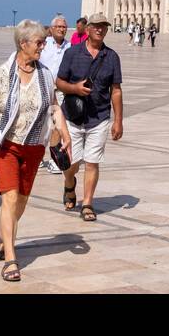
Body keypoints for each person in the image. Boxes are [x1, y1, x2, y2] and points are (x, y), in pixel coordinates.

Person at [0, 20, 70, 283]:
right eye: (39, 42)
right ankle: (10, 259)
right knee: (10, 196)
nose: (43, 46)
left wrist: (63, 131)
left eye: (44, 42)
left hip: (33, 147)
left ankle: (2, 235)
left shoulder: (45, 74)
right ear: (23, 44)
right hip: (4, 144)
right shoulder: (0, 74)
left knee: (21, 202)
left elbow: (53, 106)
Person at [56, 13, 123, 223]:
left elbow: (116, 90)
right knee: (72, 163)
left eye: (104, 26)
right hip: (74, 117)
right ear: (88, 29)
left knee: (92, 162)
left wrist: (118, 120)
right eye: (96, 26)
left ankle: (87, 203)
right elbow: (59, 82)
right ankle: (69, 184)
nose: (100, 30)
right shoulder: (73, 53)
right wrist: (74, 88)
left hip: (100, 117)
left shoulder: (111, 57)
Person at [38, 15, 72, 175]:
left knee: (57, 126)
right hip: (42, 89)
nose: (61, 29)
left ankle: (54, 158)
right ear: (51, 29)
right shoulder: (43, 45)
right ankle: (37, 157)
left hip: (60, 92)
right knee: (40, 126)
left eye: (64, 27)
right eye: (58, 26)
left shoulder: (70, 47)